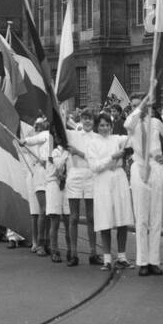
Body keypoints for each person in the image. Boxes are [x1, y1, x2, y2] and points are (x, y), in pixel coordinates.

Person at [125, 93, 163, 276]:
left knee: (156, 217)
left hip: (156, 166)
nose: (141, 109)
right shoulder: (132, 123)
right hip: (139, 166)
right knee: (141, 217)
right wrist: (140, 106)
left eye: (143, 106)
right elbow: (128, 123)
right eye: (136, 105)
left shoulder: (156, 123)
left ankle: (154, 260)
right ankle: (143, 261)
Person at [86, 111, 133, 268]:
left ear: (112, 126)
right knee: (105, 219)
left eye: (107, 125)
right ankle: (107, 258)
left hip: (119, 179)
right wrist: (113, 157)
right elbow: (94, 166)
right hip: (103, 181)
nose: (104, 128)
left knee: (122, 218)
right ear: (97, 127)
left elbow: (132, 136)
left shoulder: (117, 139)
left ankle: (122, 257)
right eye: (101, 125)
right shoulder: (92, 143)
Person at [64, 109, 99, 264]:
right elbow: (58, 125)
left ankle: (93, 253)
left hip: (91, 176)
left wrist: (78, 152)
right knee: (74, 217)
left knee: (91, 217)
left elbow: (95, 159)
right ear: (81, 119)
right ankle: (73, 253)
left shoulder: (98, 138)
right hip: (75, 175)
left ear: (94, 121)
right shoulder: (73, 134)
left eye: (90, 119)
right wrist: (59, 110)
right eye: (85, 118)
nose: (87, 121)